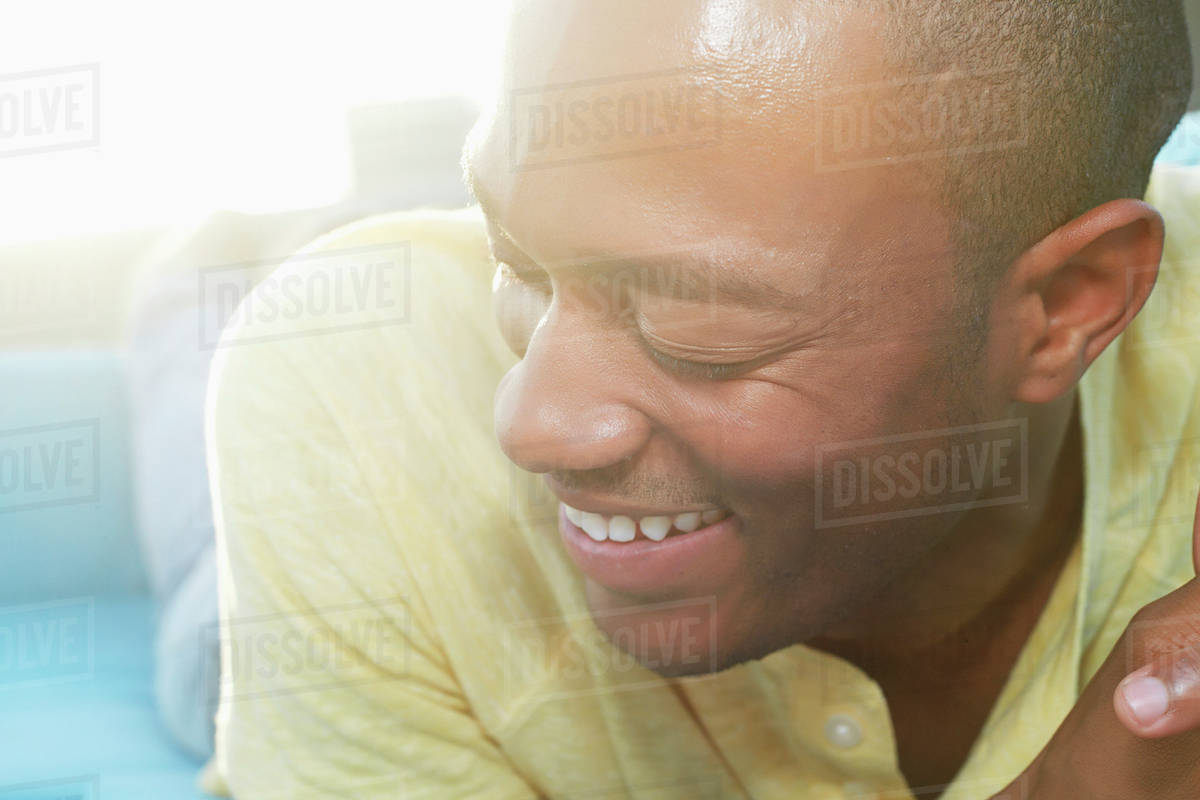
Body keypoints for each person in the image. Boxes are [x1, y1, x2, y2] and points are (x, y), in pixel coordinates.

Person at [205, 1, 1200, 797]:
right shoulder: (348, 388)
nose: (528, 420)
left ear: (1068, 306)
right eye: (520, 261)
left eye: (700, 323)